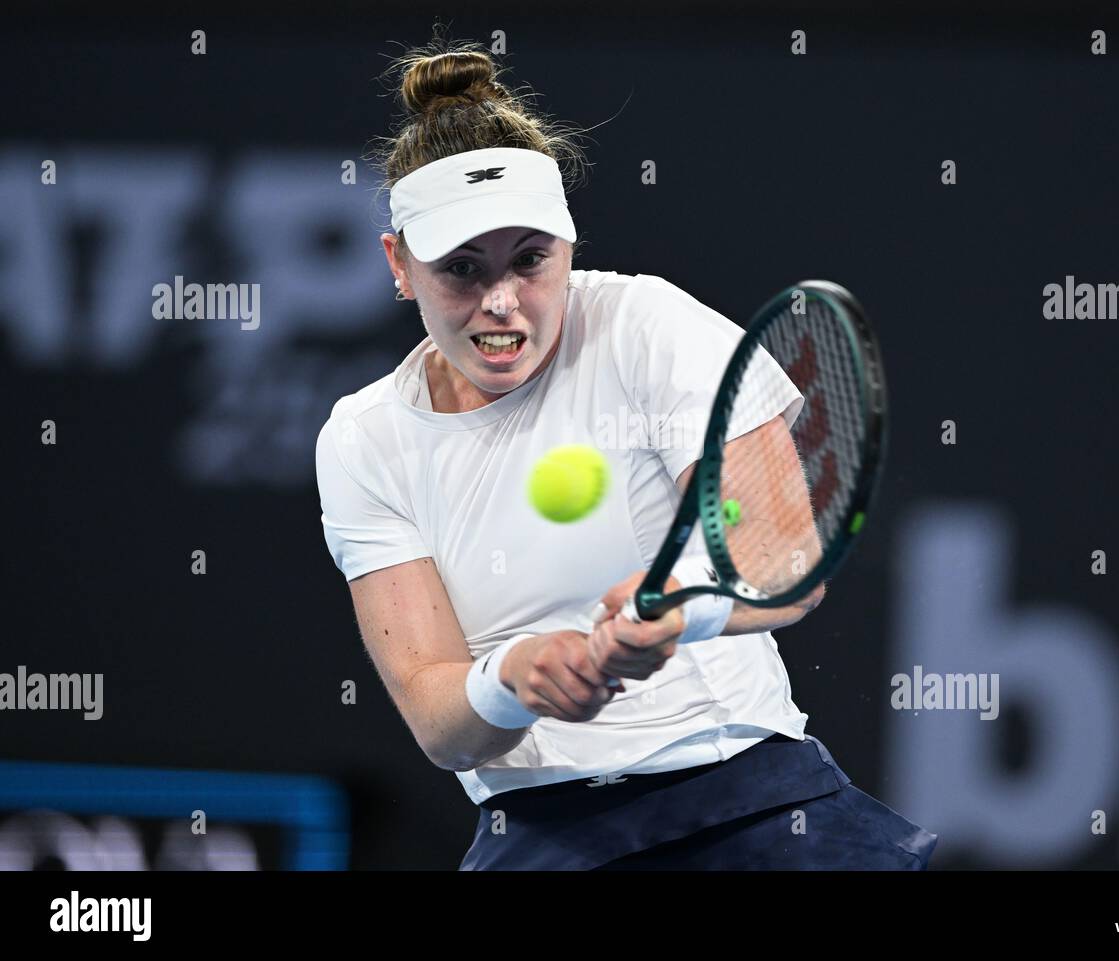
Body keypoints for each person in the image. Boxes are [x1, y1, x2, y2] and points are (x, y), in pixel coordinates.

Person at [314, 34, 937, 870]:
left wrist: (685, 610)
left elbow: (786, 553)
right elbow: (436, 712)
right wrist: (514, 678)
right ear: (399, 264)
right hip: (541, 836)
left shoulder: (646, 327)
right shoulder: (364, 438)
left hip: (750, 804)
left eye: (530, 260)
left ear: (570, 242)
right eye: (462, 268)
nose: (503, 303)